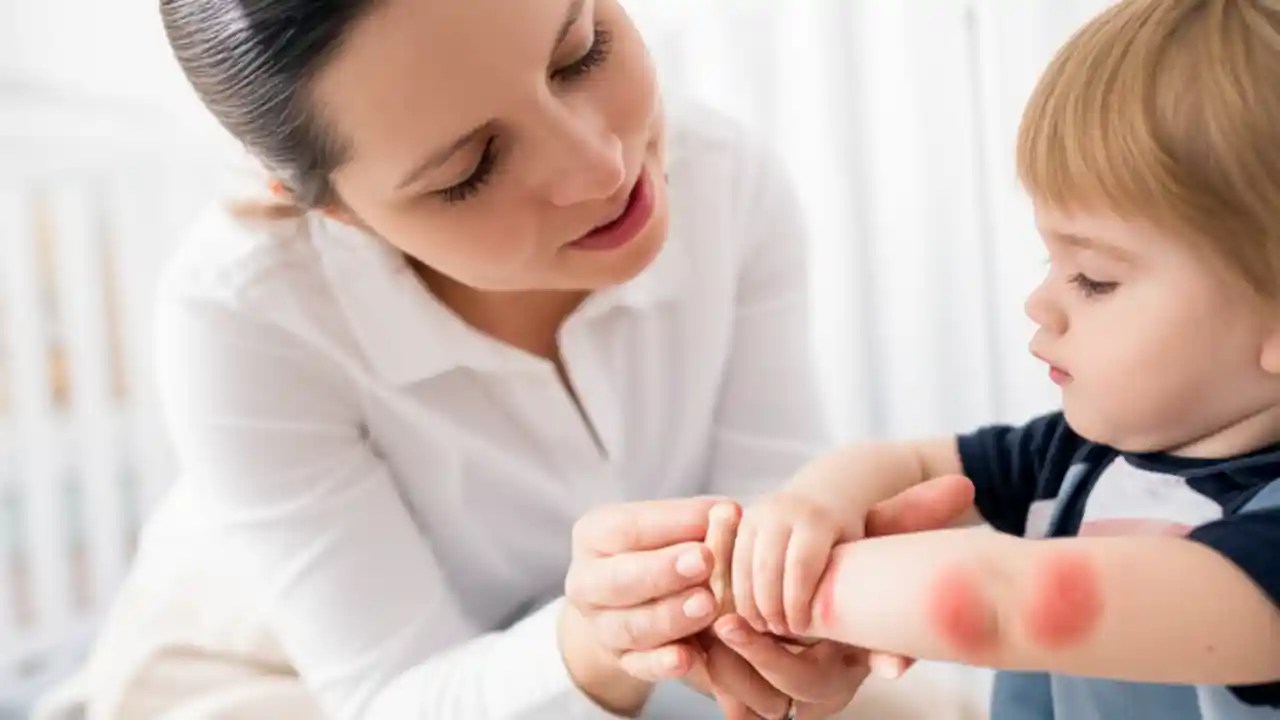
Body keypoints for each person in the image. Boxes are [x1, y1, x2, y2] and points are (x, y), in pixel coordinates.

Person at [55, 1, 966, 718]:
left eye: (581, 51)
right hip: (273, 681)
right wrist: (597, 641)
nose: (602, 164)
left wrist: (791, 598)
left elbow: (769, 505)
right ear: (339, 211)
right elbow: (391, 695)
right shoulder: (243, 320)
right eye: (470, 171)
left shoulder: (725, 178)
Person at [728, 1, 1280, 718]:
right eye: (1049, 259)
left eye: (1094, 279)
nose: (1039, 302)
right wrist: (812, 507)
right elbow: (915, 470)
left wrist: (771, 585)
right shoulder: (1078, 453)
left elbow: (1002, 600)